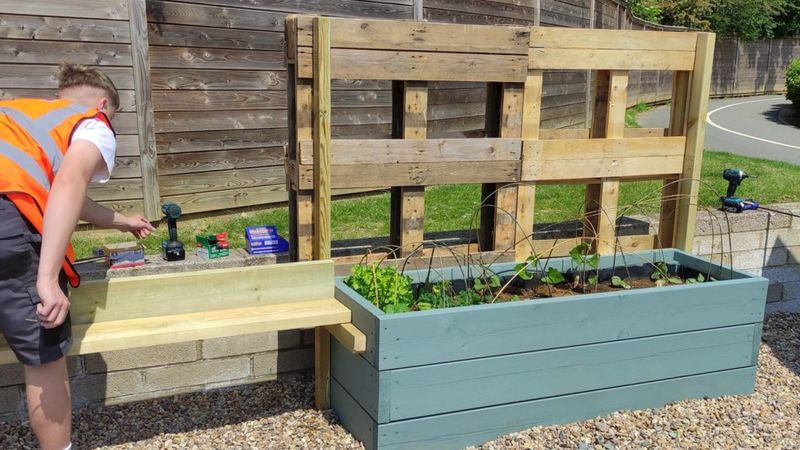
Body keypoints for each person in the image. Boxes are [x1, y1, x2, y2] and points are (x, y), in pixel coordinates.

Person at [0, 62, 155, 450]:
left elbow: (58, 192)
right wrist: (47, 279)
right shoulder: (92, 121)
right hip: (9, 225)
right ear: (104, 104)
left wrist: (120, 221)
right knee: (42, 356)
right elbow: (69, 183)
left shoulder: (20, 116)